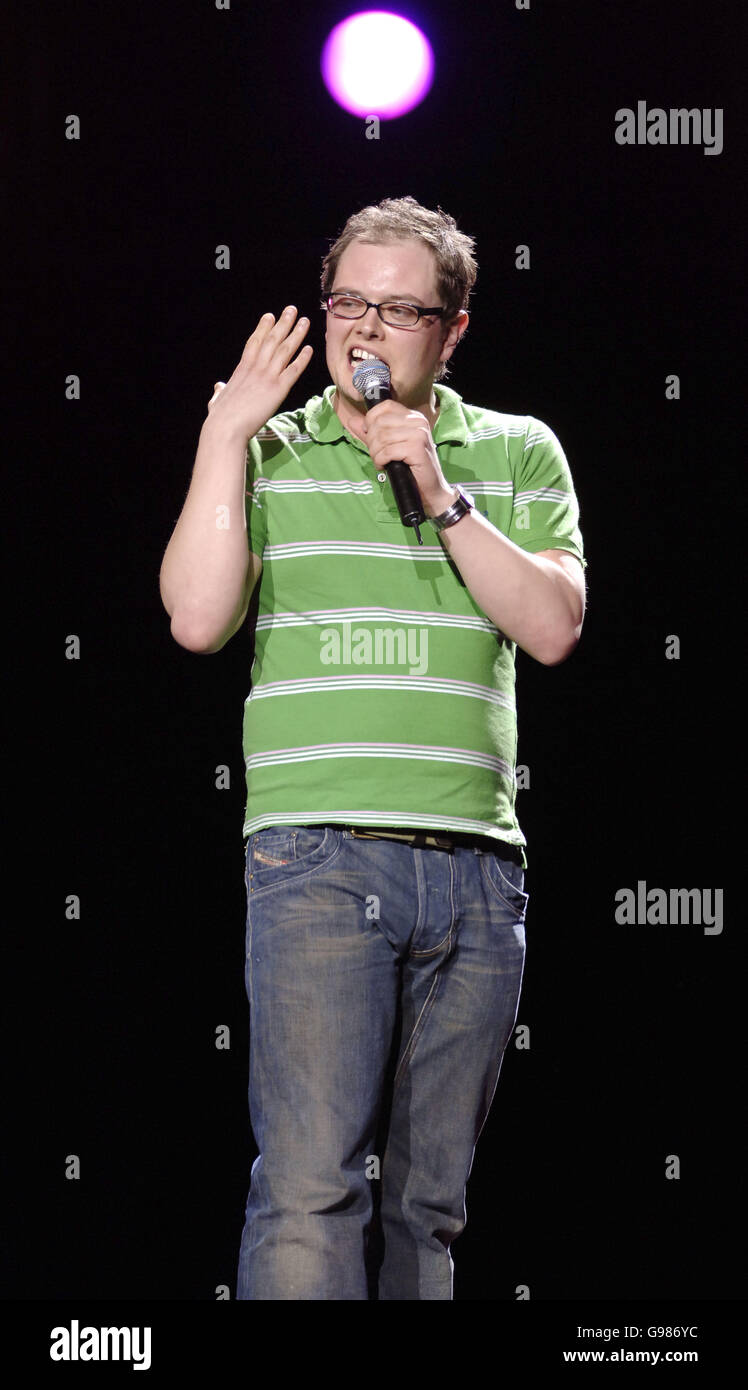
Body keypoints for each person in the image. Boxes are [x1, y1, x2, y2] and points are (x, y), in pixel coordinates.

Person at [159, 196, 587, 1300]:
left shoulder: (514, 451)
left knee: (427, 1214)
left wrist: (438, 491)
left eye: (400, 309)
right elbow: (198, 618)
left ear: (451, 331)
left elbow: (549, 626)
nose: (365, 330)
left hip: (477, 875)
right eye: (348, 300)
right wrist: (223, 432)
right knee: (309, 1192)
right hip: (317, 859)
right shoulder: (274, 446)